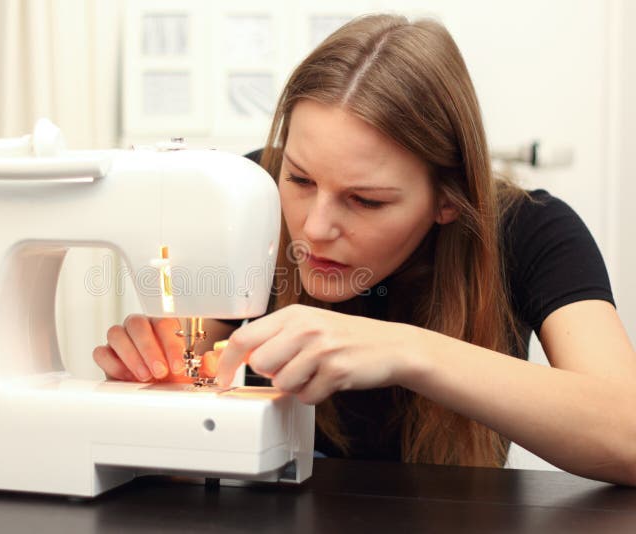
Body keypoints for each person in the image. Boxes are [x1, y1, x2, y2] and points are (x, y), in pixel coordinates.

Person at [92, 14, 636, 485]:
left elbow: (627, 435)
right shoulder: (251, 194)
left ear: (449, 199)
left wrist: (406, 352)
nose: (314, 228)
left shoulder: (531, 230)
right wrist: (160, 364)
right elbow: (192, 352)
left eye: (365, 200)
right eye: (300, 179)